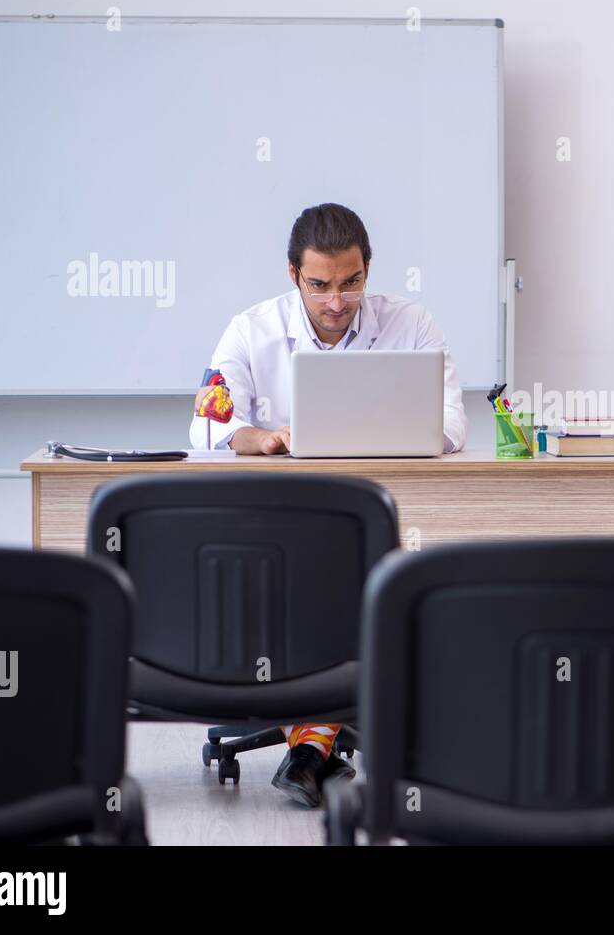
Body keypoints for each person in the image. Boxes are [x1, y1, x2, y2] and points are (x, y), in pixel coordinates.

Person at [190, 203, 468, 806]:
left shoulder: (412, 324)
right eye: (319, 285)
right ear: (294, 276)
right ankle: (319, 742)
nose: (337, 301)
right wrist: (251, 437)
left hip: (384, 513)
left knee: (355, 576)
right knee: (313, 581)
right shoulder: (249, 329)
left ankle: (309, 745)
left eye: (351, 283)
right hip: (277, 524)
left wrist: (378, 438)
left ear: (368, 271)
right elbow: (205, 424)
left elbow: (451, 424)